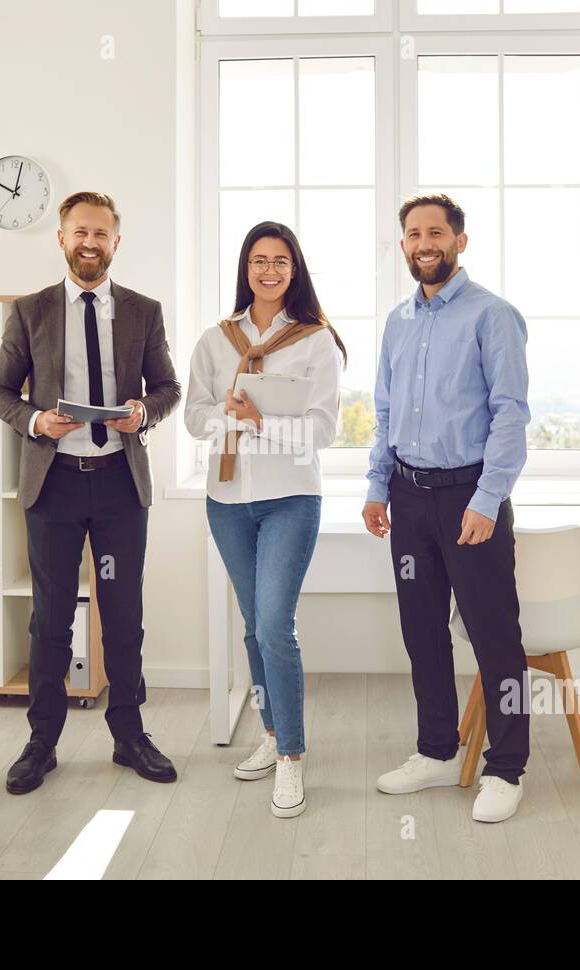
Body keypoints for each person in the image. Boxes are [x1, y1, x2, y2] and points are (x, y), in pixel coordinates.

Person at [0, 190, 182, 794]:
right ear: (62, 239)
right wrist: (37, 422)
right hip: (55, 488)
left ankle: (129, 735)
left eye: (101, 234)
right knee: (49, 620)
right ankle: (41, 741)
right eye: (80, 233)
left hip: (120, 484)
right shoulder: (29, 311)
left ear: (115, 243)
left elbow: (168, 388)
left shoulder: (143, 311)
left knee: (123, 616)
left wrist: (141, 413)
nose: (90, 244)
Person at [363, 194, 532, 823]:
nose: (423, 242)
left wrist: (488, 500)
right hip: (408, 498)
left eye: (436, 232)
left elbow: (511, 417)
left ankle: (507, 767)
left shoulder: (494, 316)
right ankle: (436, 750)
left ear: (459, 241)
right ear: (403, 245)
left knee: (494, 634)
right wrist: (378, 486)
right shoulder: (398, 322)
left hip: (469, 498)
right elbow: (384, 413)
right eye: (412, 234)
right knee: (422, 629)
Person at [184, 221, 345, 818]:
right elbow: (194, 416)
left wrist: (257, 423)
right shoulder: (215, 340)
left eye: (280, 261)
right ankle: (271, 735)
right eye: (258, 260)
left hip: (289, 499)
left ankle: (292, 759)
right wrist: (224, 416)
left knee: (276, 626)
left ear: (294, 270)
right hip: (227, 500)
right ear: (245, 269)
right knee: (252, 627)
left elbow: (324, 430)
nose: (269, 271)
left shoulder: (315, 341)